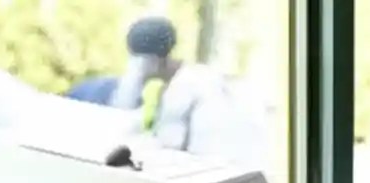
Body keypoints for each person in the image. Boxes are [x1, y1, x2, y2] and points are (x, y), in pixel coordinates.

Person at [110, 16, 268, 170]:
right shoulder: (198, 75)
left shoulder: (183, 89)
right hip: (242, 171)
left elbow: (169, 144)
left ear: (152, 59)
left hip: (213, 171)